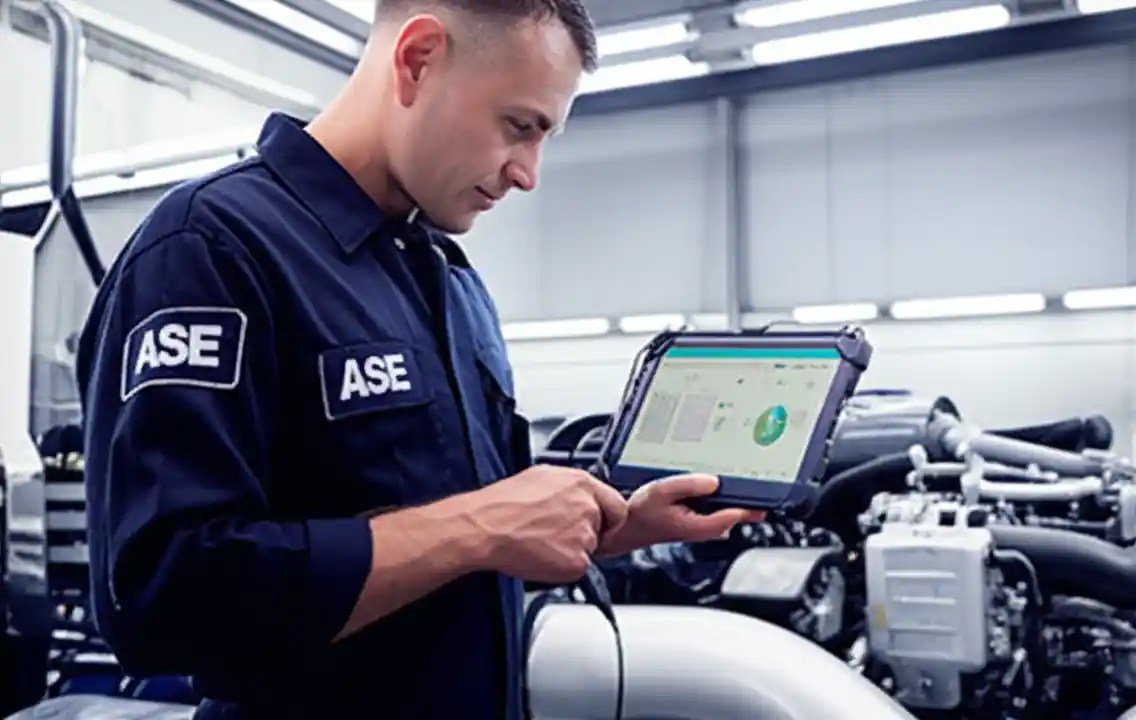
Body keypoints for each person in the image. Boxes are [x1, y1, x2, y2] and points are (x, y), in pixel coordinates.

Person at [74, 1, 763, 718]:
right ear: (418, 59)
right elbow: (163, 598)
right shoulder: (210, 249)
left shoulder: (449, 278)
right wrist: (482, 527)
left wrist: (611, 525)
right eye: (519, 126)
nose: (529, 174)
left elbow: (461, 526)